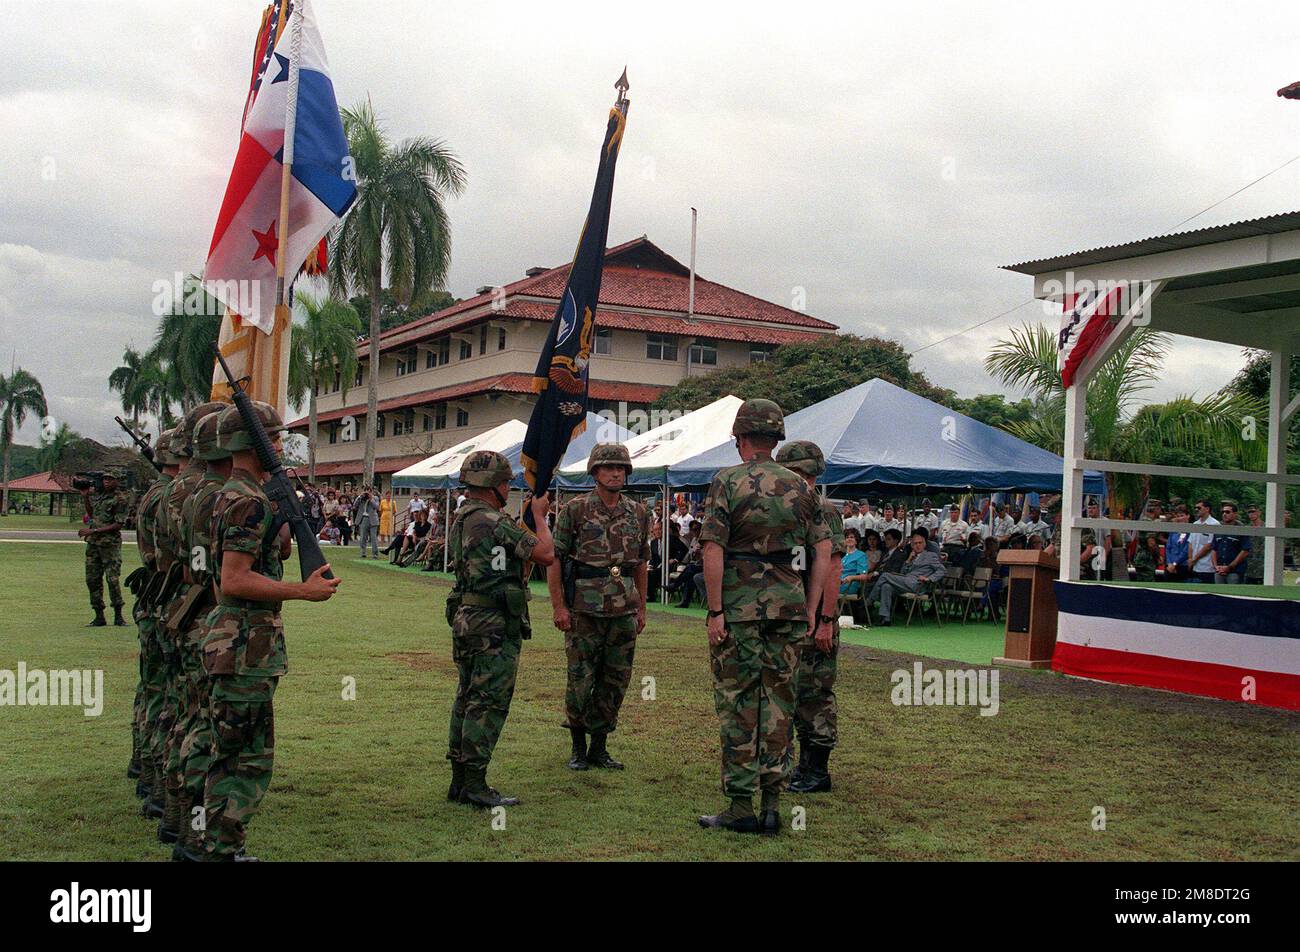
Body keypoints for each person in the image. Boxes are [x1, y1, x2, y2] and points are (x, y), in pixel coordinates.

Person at [198, 401, 340, 861]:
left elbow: (261, 553)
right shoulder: (246, 500)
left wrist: (283, 517)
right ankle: (221, 849)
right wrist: (303, 591)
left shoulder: (237, 493)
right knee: (243, 758)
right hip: (244, 648)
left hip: (242, 644)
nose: (279, 446)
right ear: (251, 444)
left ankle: (219, 846)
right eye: (273, 438)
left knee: (235, 752)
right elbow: (233, 578)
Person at [697, 399, 830, 835]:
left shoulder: (727, 481)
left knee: (738, 704)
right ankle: (772, 803)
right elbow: (821, 553)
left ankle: (740, 805)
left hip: (738, 609)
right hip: (788, 607)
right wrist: (811, 611)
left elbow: (712, 548)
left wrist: (715, 610)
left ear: (740, 439)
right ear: (776, 439)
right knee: (779, 703)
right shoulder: (802, 487)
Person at [444, 451, 553, 809]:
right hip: (492, 624)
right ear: (493, 485)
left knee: (467, 697)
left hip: (468, 618)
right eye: (506, 482)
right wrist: (539, 518)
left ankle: (460, 781)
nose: (510, 487)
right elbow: (545, 554)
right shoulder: (493, 520)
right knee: (488, 701)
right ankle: (475, 782)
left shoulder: (463, 517)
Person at [548, 443, 650, 772]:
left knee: (615, 679)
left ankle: (600, 747)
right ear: (594, 472)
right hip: (583, 608)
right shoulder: (574, 510)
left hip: (623, 607)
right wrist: (559, 607)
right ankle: (577, 747)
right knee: (581, 677)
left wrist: (642, 608)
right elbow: (554, 560)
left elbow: (641, 564)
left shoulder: (639, 512)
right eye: (608, 468)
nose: (616, 472)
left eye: (621, 468)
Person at [172, 407, 234, 861]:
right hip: (213, 617)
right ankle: (198, 835)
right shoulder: (220, 497)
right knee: (208, 730)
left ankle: (177, 815)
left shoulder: (185, 493)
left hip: (185, 604)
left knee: (184, 714)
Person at [775, 440, 844, 796]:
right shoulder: (782, 509)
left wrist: (826, 620)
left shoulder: (823, 511)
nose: (804, 481)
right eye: (797, 474)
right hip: (786, 616)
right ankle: (791, 766)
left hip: (814, 618)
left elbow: (833, 566)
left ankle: (816, 770)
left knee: (814, 692)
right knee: (785, 691)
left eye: (808, 474)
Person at [129, 431, 180, 812]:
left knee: (152, 691)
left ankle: (146, 770)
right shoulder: (170, 496)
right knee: (168, 699)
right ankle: (160, 786)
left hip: (156, 600)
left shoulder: (154, 494)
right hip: (171, 602)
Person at [79, 469, 129, 627]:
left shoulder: (120, 499)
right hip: (94, 544)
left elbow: (118, 524)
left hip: (110, 545)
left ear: (117, 481)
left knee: (112, 579)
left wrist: (93, 530)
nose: (106, 481)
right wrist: (86, 497)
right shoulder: (100, 496)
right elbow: (93, 514)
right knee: (92, 579)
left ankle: (118, 616)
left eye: (110, 479)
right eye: (105, 478)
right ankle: (99, 615)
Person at [864, 531, 945, 626]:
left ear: (925, 544)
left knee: (885, 575)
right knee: (886, 586)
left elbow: (942, 570)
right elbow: (902, 573)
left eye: (920, 543)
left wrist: (929, 579)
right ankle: (885, 618)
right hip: (906, 582)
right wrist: (908, 560)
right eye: (915, 543)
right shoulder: (912, 556)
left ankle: (870, 601)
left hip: (918, 584)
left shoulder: (931, 556)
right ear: (912, 545)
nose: (918, 545)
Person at [1211, 500, 1250, 585]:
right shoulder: (1218, 528)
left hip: (1235, 571)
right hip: (1219, 570)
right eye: (1223, 512)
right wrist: (1216, 566)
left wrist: (1230, 567)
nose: (1224, 514)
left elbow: (1245, 551)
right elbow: (1214, 549)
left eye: (1228, 512)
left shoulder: (1241, 529)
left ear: (1235, 514)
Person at [1188, 499, 1220, 583]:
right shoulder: (1195, 524)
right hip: (1194, 566)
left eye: (1199, 508)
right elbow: (1190, 543)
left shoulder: (1214, 524)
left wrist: (1194, 559)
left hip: (1207, 567)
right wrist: (1190, 559)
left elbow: (1209, 545)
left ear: (1207, 509)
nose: (1196, 510)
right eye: (1195, 508)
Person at [1163, 504, 1192, 581]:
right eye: (1178, 516)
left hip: (1182, 565)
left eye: (1182, 515)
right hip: (1169, 566)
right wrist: (1169, 563)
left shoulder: (1190, 531)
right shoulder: (1174, 531)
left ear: (1188, 516)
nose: (1179, 518)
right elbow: (1168, 547)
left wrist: (1175, 564)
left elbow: (1186, 551)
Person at [840, 528, 870, 594]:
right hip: (838, 582)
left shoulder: (861, 555)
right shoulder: (842, 555)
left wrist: (851, 577)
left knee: (827, 589)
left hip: (849, 585)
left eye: (852, 537)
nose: (849, 539)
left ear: (856, 541)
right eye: (847, 537)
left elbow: (864, 576)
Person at [355, 486, 380, 558]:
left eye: (369, 491)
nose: (367, 493)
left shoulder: (375, 498)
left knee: (373, 537)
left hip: (373, 519)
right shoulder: (361, 498)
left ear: (371, 492)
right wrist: (360, 496)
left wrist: (371, 499)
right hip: (363, 519)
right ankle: (363, 553)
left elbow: (377, 507)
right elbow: (355, 505)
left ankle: (375, 554)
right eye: (365, 491)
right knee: (363, 537)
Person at [1244, 505, 1265, 584]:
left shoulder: (1267, 527)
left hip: (1263, 566)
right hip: (1249, 566)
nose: (1251, 514)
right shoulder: (1246, 528)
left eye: (1253, 512)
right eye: (1249, 512)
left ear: (1259, 513)